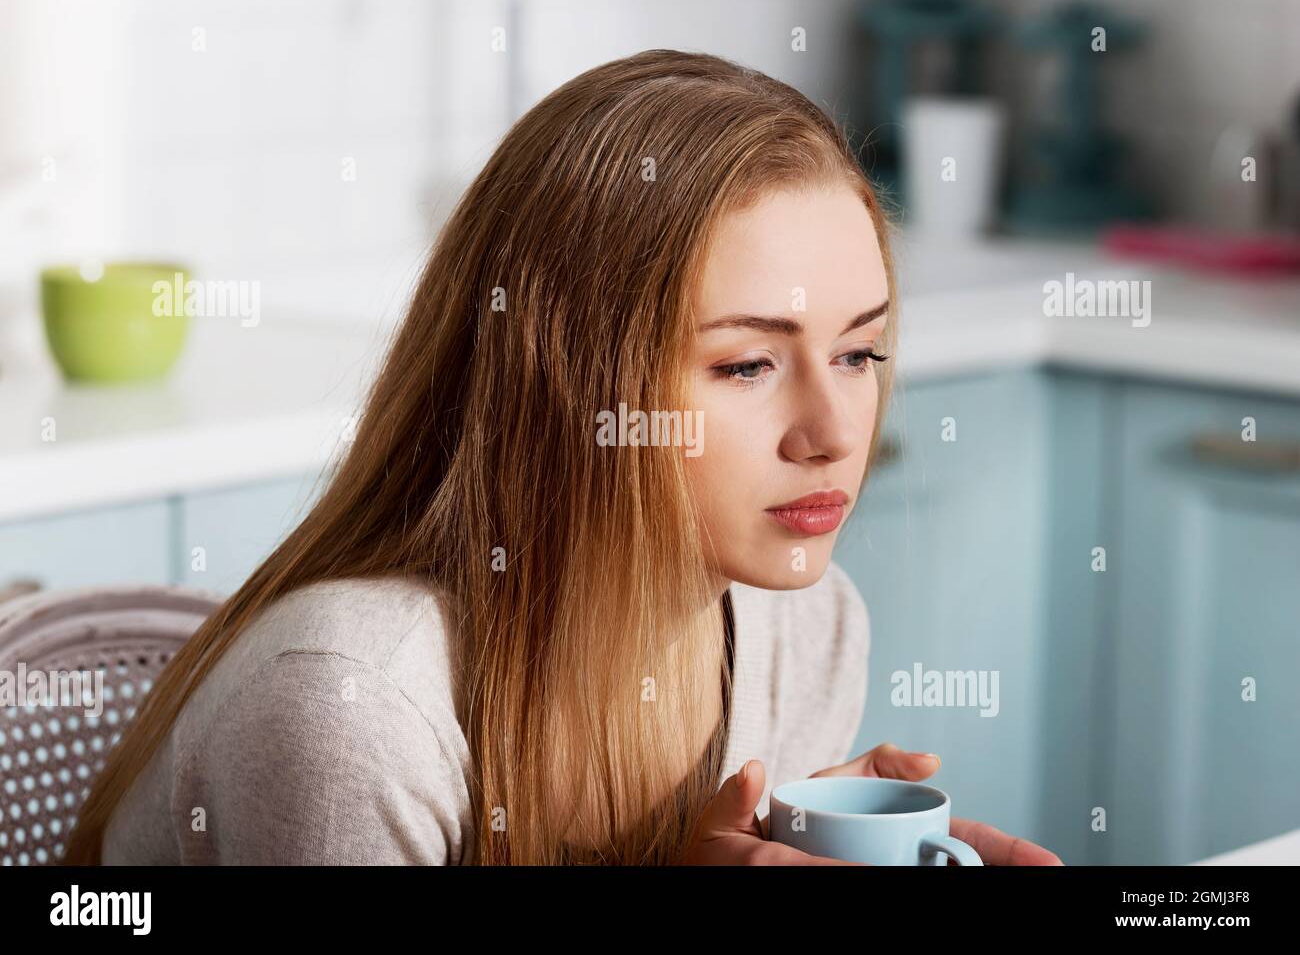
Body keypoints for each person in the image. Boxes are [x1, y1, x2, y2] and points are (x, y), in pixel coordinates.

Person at [65, 49, 1060, 866]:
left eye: (856, 353)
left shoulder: (808, 627)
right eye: (749, 364)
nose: (835, 433)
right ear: (569, 386)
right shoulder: (351, 708)